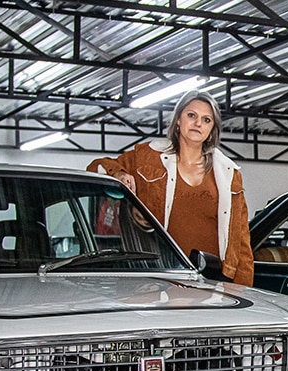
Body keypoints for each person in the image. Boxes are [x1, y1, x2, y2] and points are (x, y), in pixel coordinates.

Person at [87, 89, 254, 285]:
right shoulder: (147, 157)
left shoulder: (229, 173)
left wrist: (243, 288)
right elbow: (96, 167)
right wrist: (119, 174)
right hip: (158, 275)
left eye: (206, 120)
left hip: (213, 279)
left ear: (212, 130)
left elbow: (241, 240)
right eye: (191, 115)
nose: (198, 123)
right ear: (178, 121)